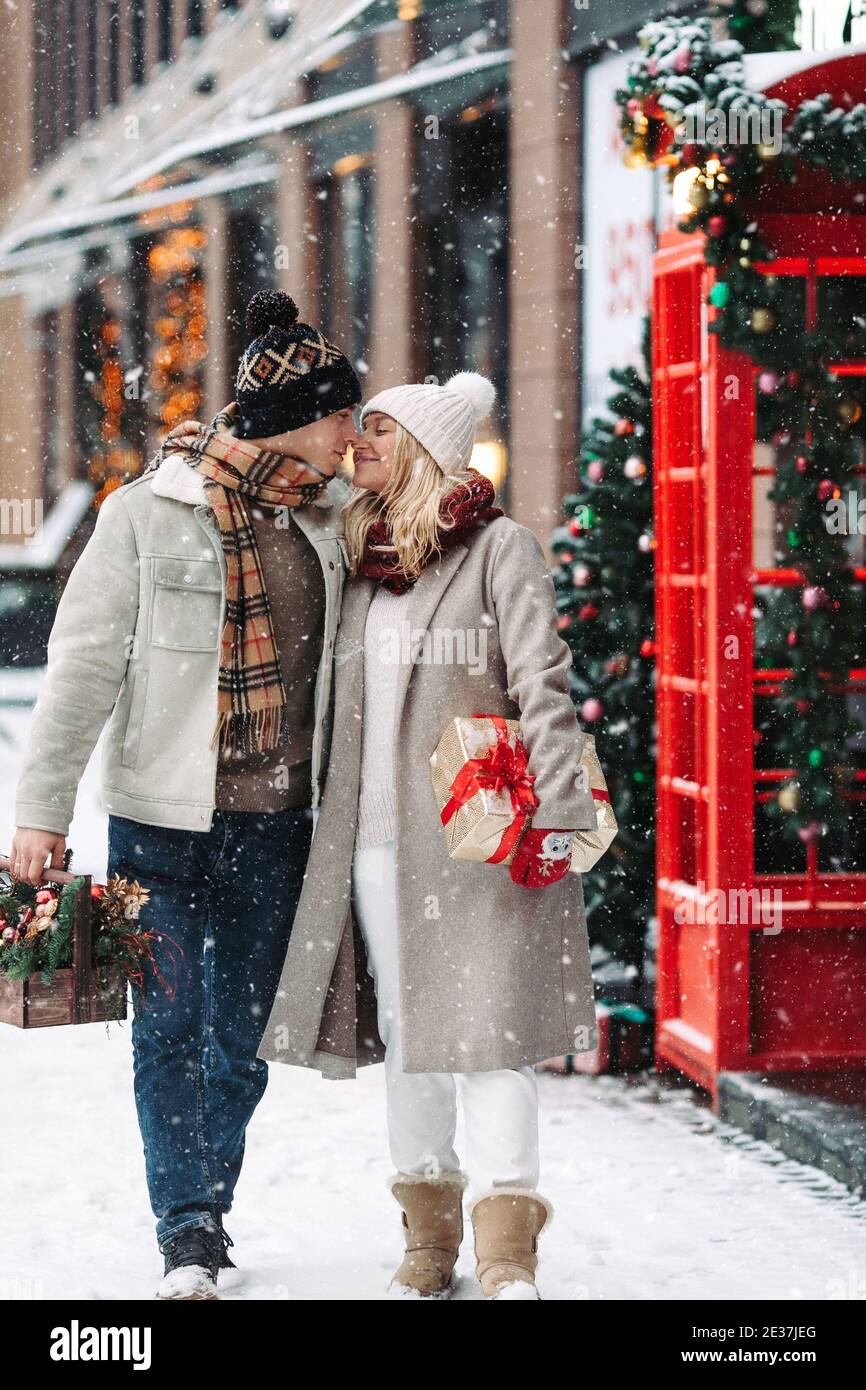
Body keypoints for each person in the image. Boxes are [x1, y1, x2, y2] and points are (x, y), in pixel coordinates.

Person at [10, 289, 361, 1300]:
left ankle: (205, 1192)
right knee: (166, 1028)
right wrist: (41, 810)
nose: (350, 436)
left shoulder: (330, 523)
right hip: (156, 821)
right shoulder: (145, 516)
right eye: (342, 416)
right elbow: (81, 669)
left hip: (276, 822)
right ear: (299, 412)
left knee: (243, 1038)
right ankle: (189, 1224)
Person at [256, 370, 600, 1300]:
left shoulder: (499, 550)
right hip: (369, 843)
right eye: (358, 430)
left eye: (377, 432)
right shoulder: (358, 556)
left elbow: (543, 685)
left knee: (489, 1039)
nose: (358, 444)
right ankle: (428, 1240)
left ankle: (507, 1251)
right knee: (408, 1040)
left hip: (476, 839)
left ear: (424, 450)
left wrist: (564, 810)